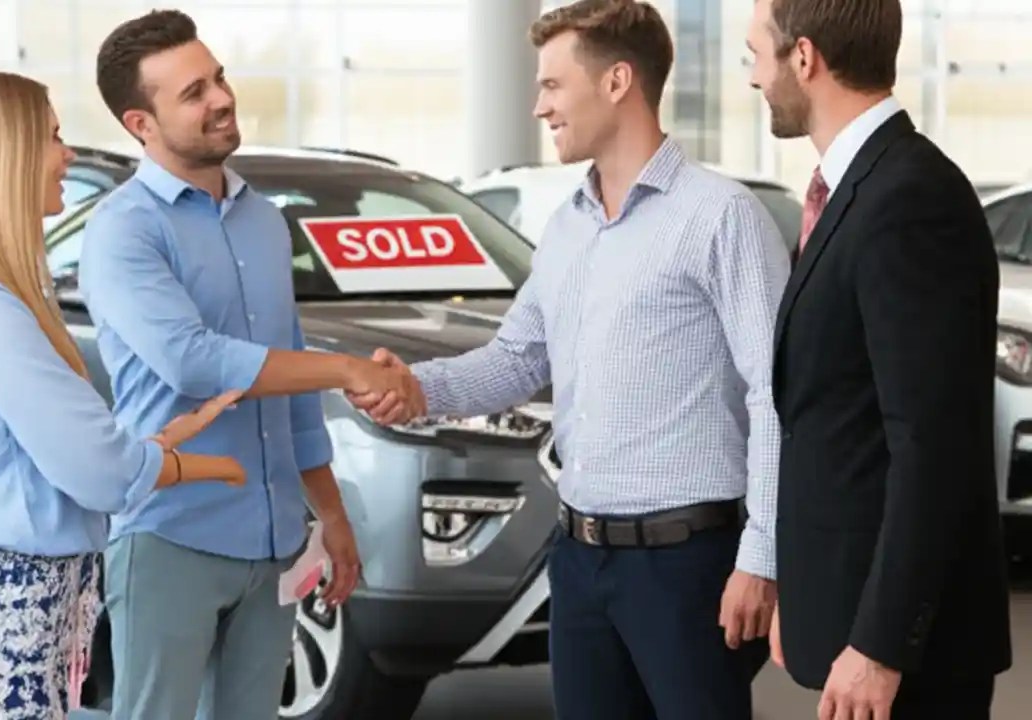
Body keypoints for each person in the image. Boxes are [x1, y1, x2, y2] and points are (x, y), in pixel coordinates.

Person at [355, 1, 789, 718]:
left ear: (617, 81)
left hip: (687, 565)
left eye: (553, 86)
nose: (538, 107)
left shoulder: (721, 217)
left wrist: (762, 556)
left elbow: (774, 394)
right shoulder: (567, 227)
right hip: (580, 560)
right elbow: (516, 361)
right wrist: (414, 387)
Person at [0, 69, 247, 720]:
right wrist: (192, 466)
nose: (67, 153)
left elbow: (60, 460)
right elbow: (99, 472)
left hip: (11, 609)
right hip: (3, 615)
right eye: (52, 135)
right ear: (0, 157)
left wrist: (152, 446)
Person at [81, 11, 412, 720]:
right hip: (169, 534)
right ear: (141, 124)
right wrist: (349, 370)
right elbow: (194, 363)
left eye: (219, 77)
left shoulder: (262, 218)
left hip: (270, 544)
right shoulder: (122, 230)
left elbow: (283, 379)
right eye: (193, 92)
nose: (222, 98)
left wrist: (330, 512)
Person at [745, 1, 1014, 718]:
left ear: (804, 58)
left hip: (903, 661)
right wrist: (803, 592)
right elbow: (837, 422)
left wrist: (882, 645)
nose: (753, 78)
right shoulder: (856, 190)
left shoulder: (909, 197)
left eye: (756, 56)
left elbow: (934, 448)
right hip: (848, 626)